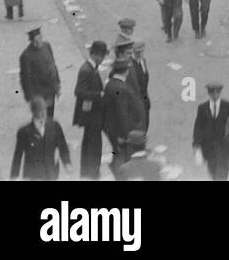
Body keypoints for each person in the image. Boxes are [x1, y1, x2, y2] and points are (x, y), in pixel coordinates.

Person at [102, 56, 145, 173]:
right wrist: (126, 135)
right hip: (122, 131)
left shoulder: (110, 84)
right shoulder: (121, 88)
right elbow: (122, 114)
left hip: (112, 129)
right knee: (125, 156)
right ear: (125, 71)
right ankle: (120, 172)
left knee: (119, 153)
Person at [11, 95, 71, 180]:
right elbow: (18, 156)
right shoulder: (24, 131)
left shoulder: (55, 126)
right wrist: (14, 176)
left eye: (44, 110)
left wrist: (67, 163)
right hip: (33, 175)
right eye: (40, 111)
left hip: (52, 174)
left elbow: (63, 147)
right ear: (33, 112)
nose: (43, 113)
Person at [72, 40, 107, 179]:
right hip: (92, 115)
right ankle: (92, 172)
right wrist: (100, 95)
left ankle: (87, 172)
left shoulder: (92, 67)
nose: (103, 59)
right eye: (102, 55)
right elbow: (79, 91)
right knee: (94, 145)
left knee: (89, 143)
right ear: (95, 55)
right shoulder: (87, 70)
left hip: (91, 114)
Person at [192, 82, 229, 181]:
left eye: (217, 93)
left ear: (220, 93)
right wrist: (196, 145)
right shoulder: (202, 108)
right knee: (212, 170)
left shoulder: (228, 106)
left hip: (224, 146)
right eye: (212, 93)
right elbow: (198, 127)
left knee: (223, 171)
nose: (215, 95)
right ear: (208, 93)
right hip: (208, 147)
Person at [20, 26, 62, 119]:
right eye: (37, 38)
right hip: (38, 94)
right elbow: (26, 79)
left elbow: (53, 66)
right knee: (40, 118)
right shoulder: (26, 56)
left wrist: (57, 84)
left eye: (41, 37)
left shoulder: (47, 46)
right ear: (32, 40)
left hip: (50, 91)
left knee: (50, 116)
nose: (40, 40)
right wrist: (30, 97)